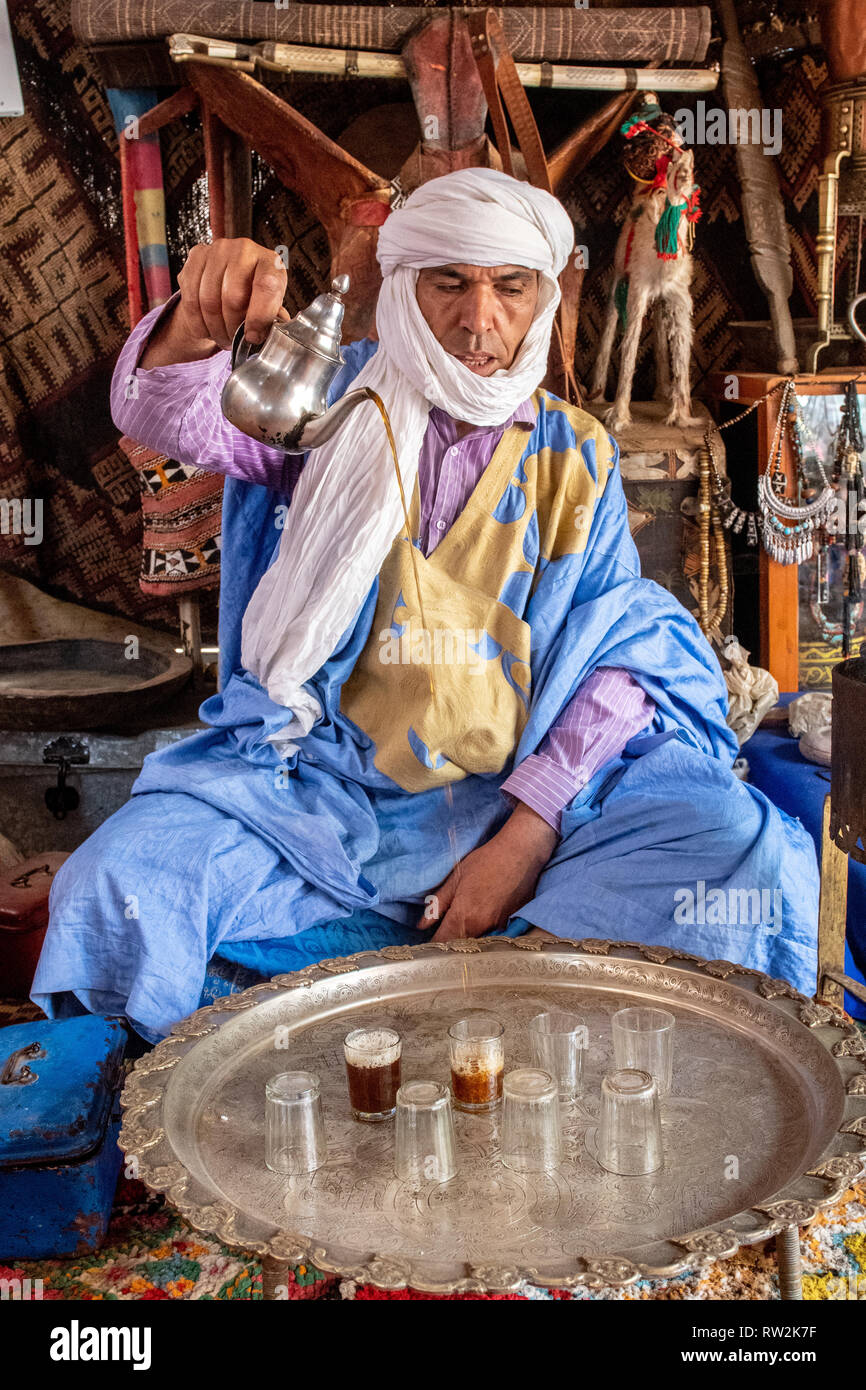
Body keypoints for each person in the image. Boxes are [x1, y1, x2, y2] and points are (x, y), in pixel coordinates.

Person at [32, 170, 819, 1043]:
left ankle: (477, 1003)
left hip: (513, 793)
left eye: (509, 288)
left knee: (737, 848)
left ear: (543, 298)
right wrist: (195, 319)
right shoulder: (328, 401)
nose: (480, 321)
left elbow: (621, 653)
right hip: (318, 791)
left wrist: (523, 842)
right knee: (119, 885)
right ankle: (493, 994)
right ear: (406, 287)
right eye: (450, 282)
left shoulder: (576, 454)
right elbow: (170, 415)